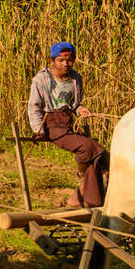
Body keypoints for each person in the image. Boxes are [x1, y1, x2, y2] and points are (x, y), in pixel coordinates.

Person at [26, 41, 108, 207]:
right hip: (52, 123)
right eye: (60, 60)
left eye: (69, 60)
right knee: (88, 147)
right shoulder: (41, 79)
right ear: (52, 61)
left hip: (70, 122)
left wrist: (81, 110)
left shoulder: (76, 79)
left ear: (74, 60)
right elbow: (34, 106)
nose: (65, 64)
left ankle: (78, 200)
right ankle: (86, 176)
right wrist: (38, 130)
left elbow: (74, 105)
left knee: (95, 155)